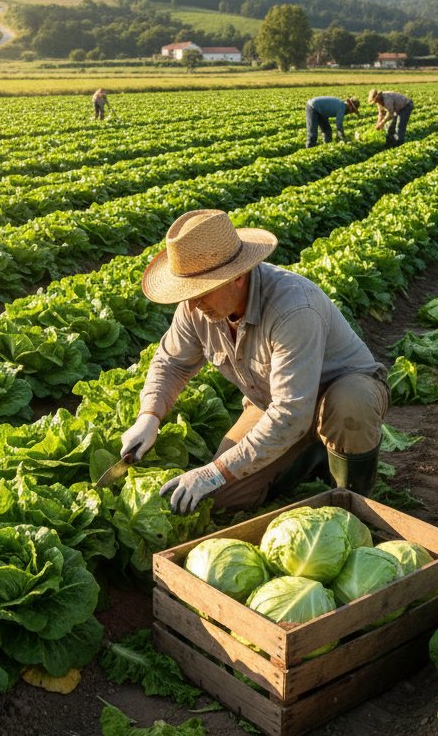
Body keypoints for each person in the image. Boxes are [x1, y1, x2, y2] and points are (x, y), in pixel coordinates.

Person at [118, 209, 389, 516]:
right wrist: (149, 417)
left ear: (237, 277)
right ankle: (309, 456)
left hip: (337, 393)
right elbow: (171, 363)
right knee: (221, 497)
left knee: (350, 405)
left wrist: (214, 470)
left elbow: (292, 412)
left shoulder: (294, 308)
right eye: (188, 292)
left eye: (201, 291)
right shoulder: (196, 309)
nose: (192, 303)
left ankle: (354, 499)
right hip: (275, 405)